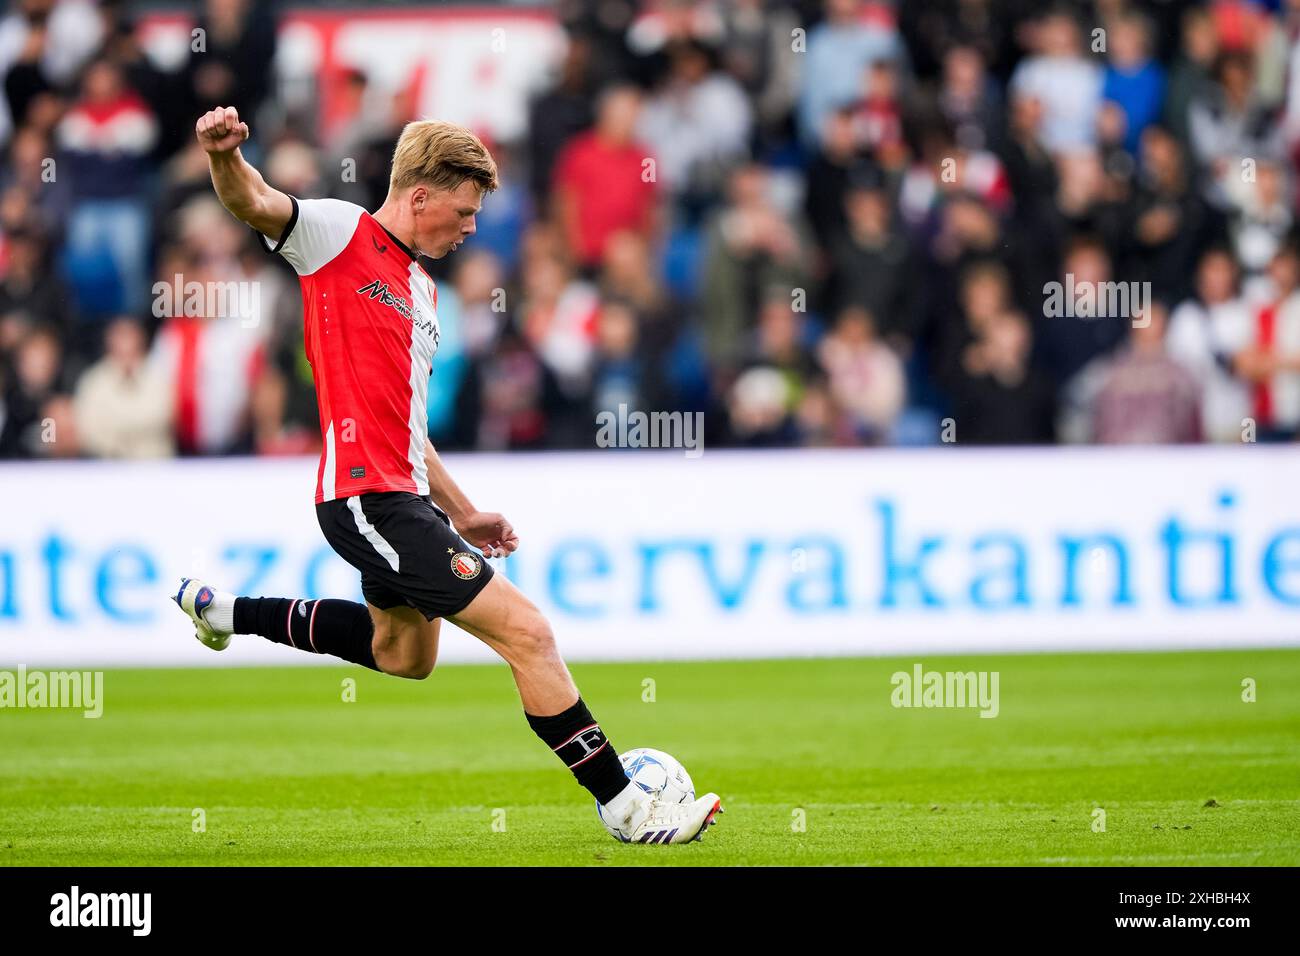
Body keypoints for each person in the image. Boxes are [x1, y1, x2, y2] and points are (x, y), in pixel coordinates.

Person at [170, 105, 722, 846]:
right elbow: (254, 200)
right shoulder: (337, 234)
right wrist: (223, 156)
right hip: (364, 497)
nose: (469, 228)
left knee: (404, 655)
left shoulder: (424, 294)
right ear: (420, 195)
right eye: (462, 212)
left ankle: (225, 612)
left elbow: (412, 431)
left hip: (404, 498)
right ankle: (626, 807)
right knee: (528, 633)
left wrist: (462, 511)